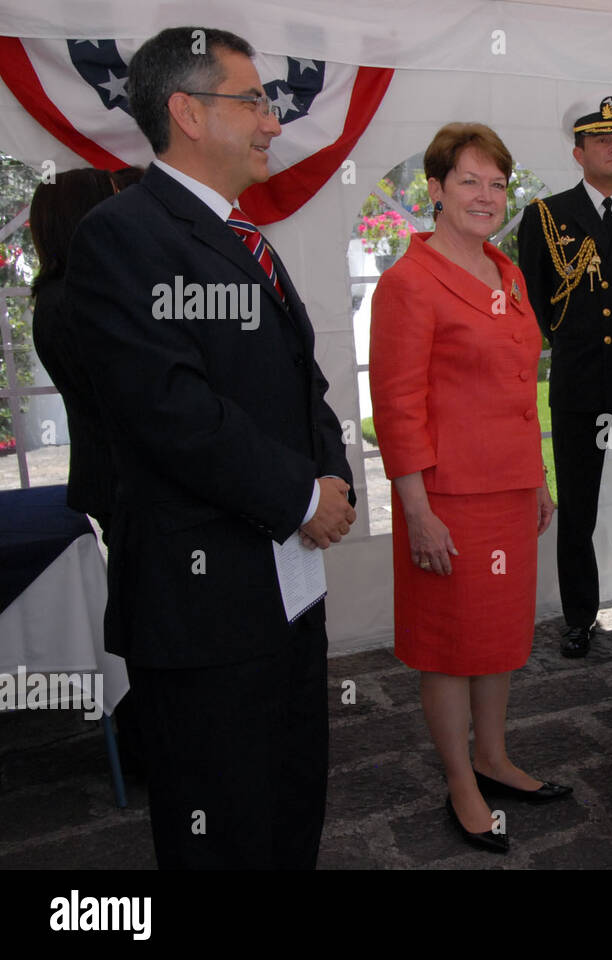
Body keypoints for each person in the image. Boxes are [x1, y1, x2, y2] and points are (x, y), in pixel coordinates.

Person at [66, 27, 356, 868]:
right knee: (221, 826)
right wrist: (302, 497)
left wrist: (329, 475)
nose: (273, 121)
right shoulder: (124, 236)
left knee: (292, 799)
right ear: (187, 112)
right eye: (255, 100)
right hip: (206, 606)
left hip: (287, 587)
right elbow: (172, 410)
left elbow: (305, 388)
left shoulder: (241, 235)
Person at [370, 123, 567, 855]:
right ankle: (461, 780)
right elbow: (397, 405)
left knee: (498, 640)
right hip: (446, 498)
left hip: (510, 488)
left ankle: (494, 755)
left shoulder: (507, 272)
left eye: (496, 184)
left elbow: (522, 387)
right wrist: (415, 509)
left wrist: (538, 475)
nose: (486, 197)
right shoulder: (407, 282)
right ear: (437, 191)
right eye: (470, 182)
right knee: (450, 646)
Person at [517, 96, 612, 659]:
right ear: (578, 152)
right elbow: (536, 304)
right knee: (577, 508)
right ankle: (579, 617)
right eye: (604, 141)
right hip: (579, 383)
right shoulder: (547, 216)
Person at [31, 166, 143, 534]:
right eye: (114, 203)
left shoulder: (62, 294)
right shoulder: (78, 300)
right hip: (129, 482)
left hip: (118, 479)